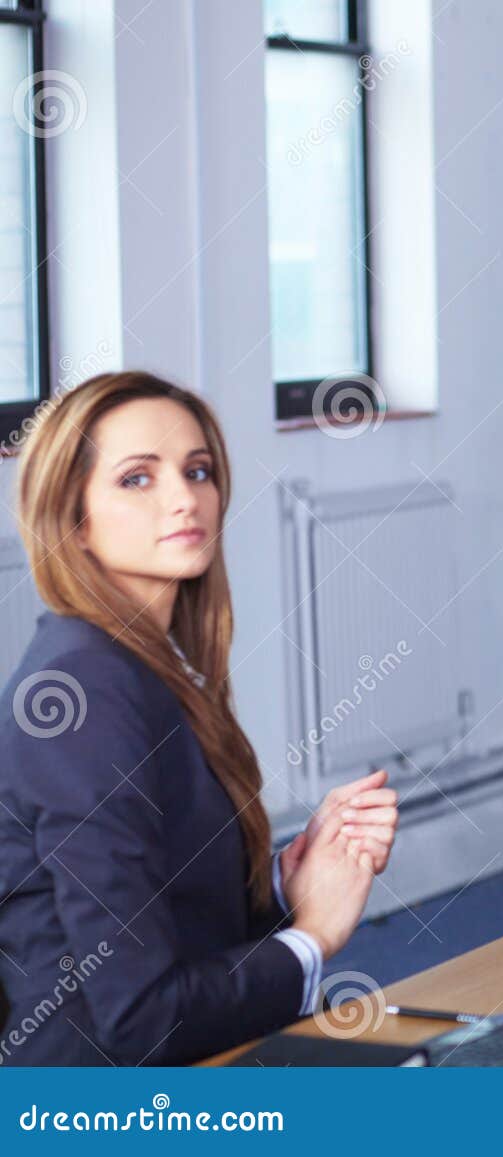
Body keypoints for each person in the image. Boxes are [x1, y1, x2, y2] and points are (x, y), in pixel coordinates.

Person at [0, 371, 400, 1065]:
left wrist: (283, 886)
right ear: (73, 517)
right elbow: (141, 1015)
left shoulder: (140, 664)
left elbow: (164, 921)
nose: (186, 498)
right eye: (136, 478)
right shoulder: (81, 689)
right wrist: (312, 936)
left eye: (198, 469)